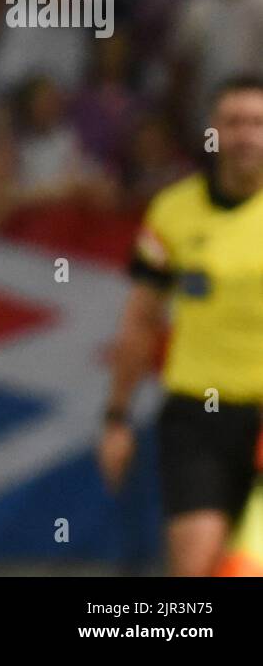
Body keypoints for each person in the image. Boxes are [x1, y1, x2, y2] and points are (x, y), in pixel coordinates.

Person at [98, 74, 263, 576]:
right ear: (213, 130)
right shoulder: (173, 211)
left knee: (245, 569)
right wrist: (117, 418)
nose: (246, 135)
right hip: (198, 417)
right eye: (234, 122)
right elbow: (141, 320)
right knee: (195, 571)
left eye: (258, 123)